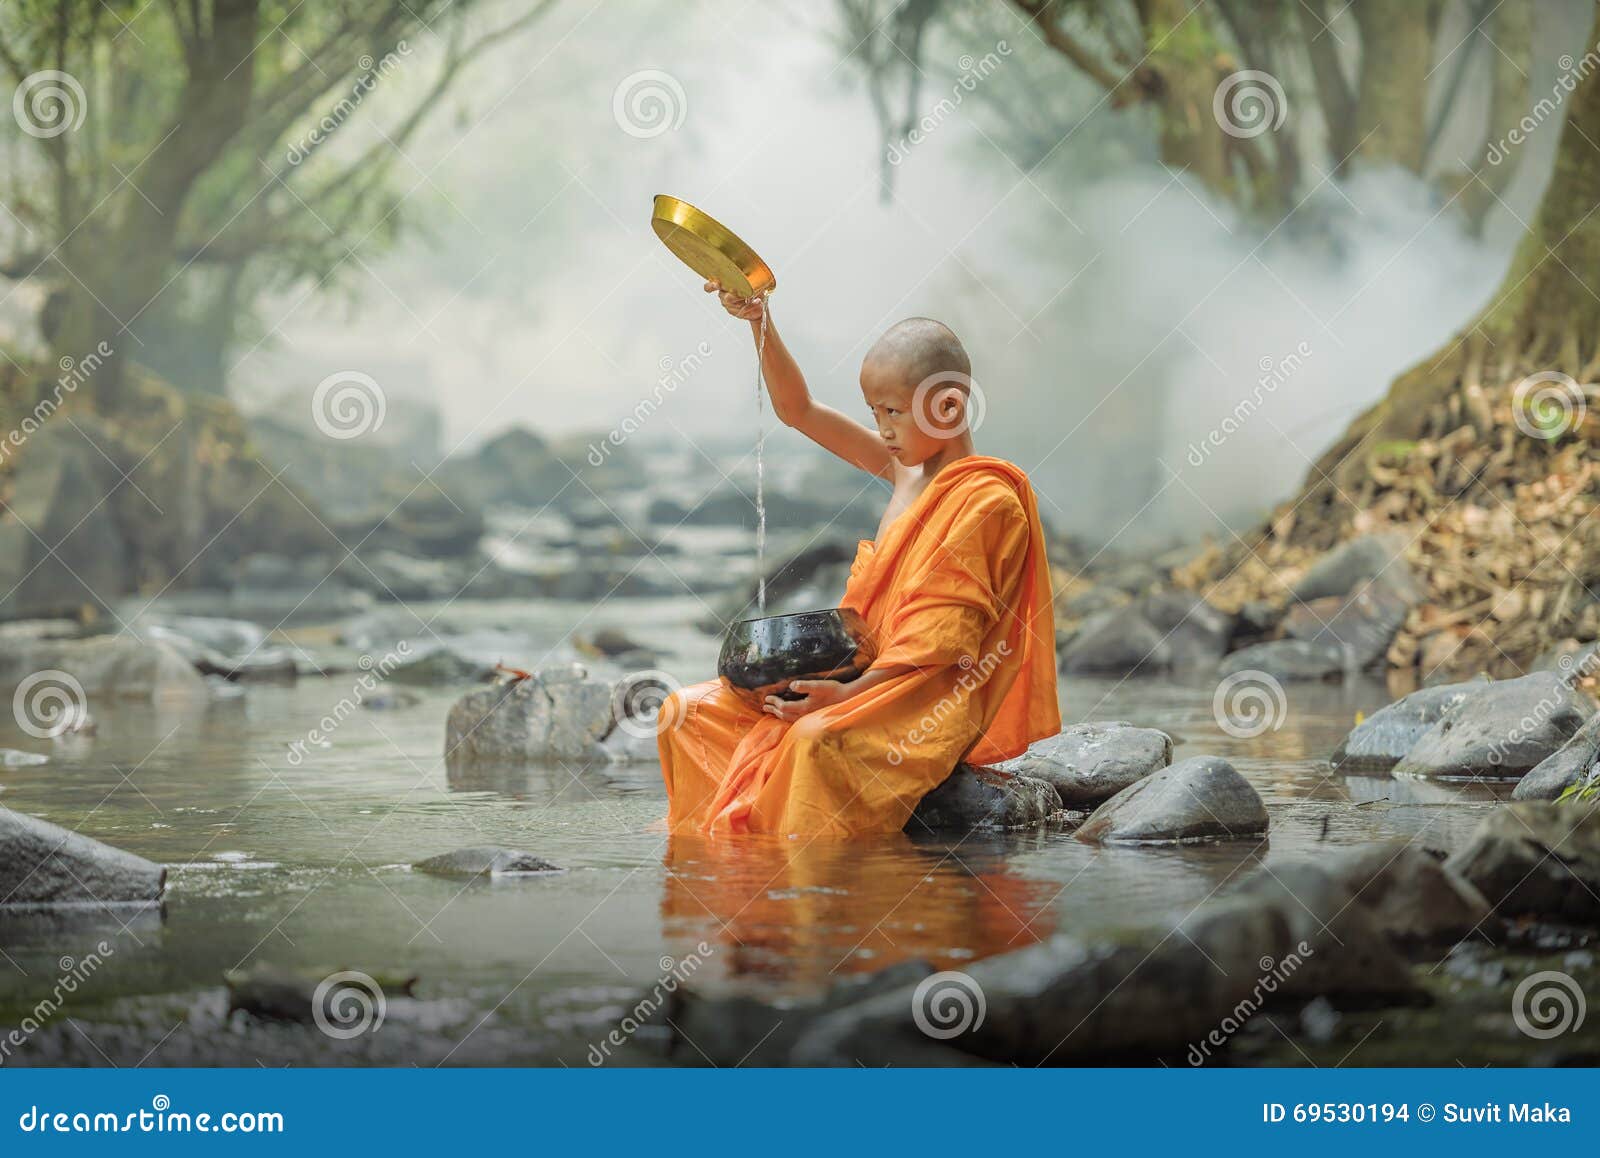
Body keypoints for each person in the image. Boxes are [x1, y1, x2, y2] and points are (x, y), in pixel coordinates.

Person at [657, 279, 1060, 837]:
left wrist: (845, 695)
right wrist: (760, 323)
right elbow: (797, 410)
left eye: (893, 411)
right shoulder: (906, 475)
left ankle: (797, 889)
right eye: (874, 412)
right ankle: (720, 866)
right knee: (685, 712)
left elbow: (939, 640)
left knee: (810, 738)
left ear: (948, 406)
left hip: (921, 700)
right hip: (856, 680)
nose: (882, 430)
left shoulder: (985, 501)